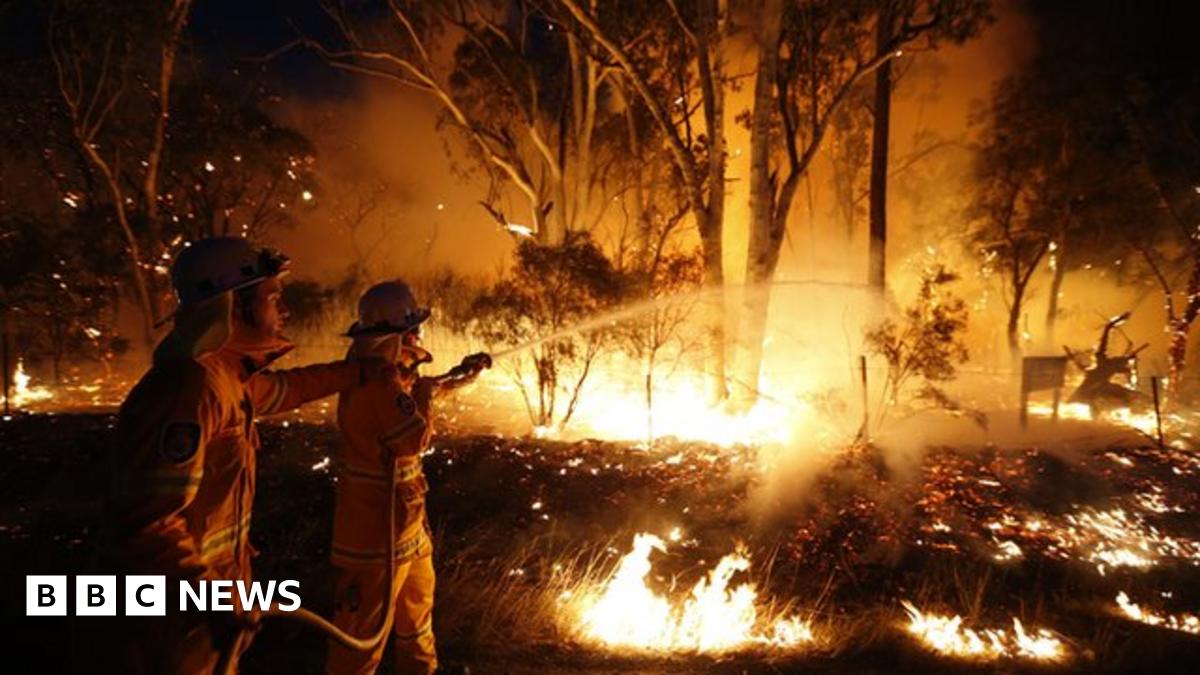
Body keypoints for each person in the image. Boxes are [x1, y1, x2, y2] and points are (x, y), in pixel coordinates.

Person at [94, 237, 396, 674]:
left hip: (202, 609)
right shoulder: (190, 389)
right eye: (273, 298)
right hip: (167, 620)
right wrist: (211, 597)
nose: (284, 311)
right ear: (232, 306)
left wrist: (356, 372)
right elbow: (147, 524)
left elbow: (286, 389)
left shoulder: (224, 377)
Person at [326, 280, 489, 675]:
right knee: (361, 637)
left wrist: (461, 376)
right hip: (374, 535)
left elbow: (419, 391)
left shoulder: (392, 375)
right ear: (399, 334)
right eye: (413, 328)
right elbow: (414, 437)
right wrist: (430, 397)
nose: (419, 334)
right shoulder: (376, 384)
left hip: (406, 529)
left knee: (416, 622)